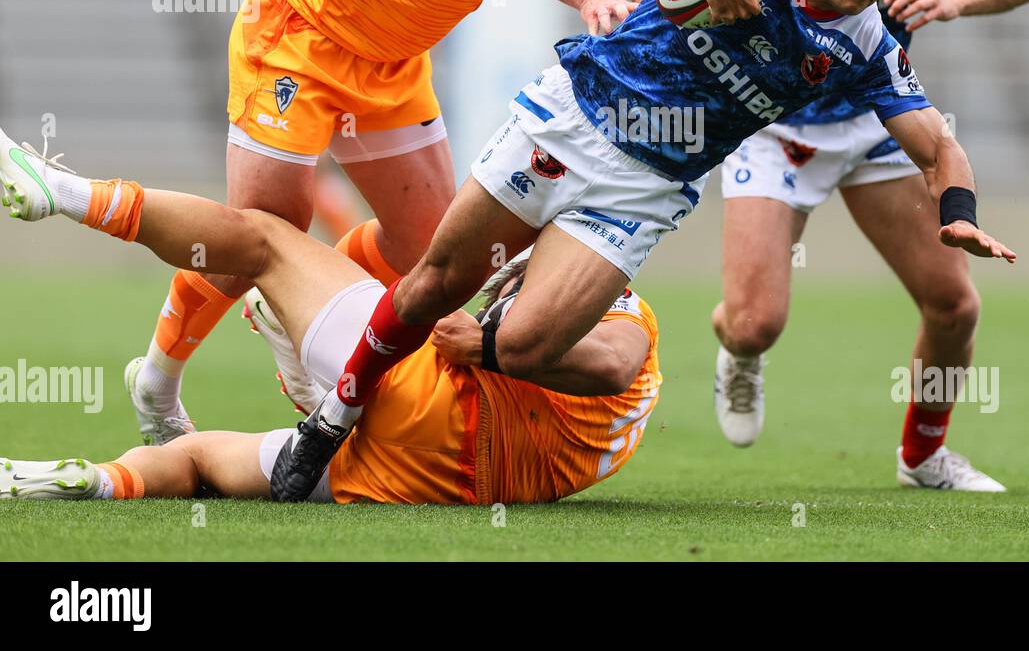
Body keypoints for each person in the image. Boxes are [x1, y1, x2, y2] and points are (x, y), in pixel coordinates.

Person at [264, 0, 1016, 502]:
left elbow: (939, 147)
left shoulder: (867, 44)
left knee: (522, 348)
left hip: (646, 188)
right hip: (573, 120)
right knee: (431, 283)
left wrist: (959, 212)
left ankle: (519, 290)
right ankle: (329, 422)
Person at [127, 0, 663, 448]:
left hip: (391, 68)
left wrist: (684, 0)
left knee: (436, 262)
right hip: (301, 36)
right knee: (266, 230)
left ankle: (298, 288)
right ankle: (157, 379)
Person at [707, 0, 1029, 490]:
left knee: (954, 303)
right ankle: (737, 353)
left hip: (875, 122)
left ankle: (923, 456)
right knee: (756, 321)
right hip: (774, 122)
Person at [0, 138, 661, 506]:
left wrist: (485, 344)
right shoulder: (572, 292)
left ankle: (62, 191)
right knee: (194, 458)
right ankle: (89, 481)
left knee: (261, 238)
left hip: (433, 403)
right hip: (421, 483)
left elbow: (613, 361)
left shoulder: (611, 297)